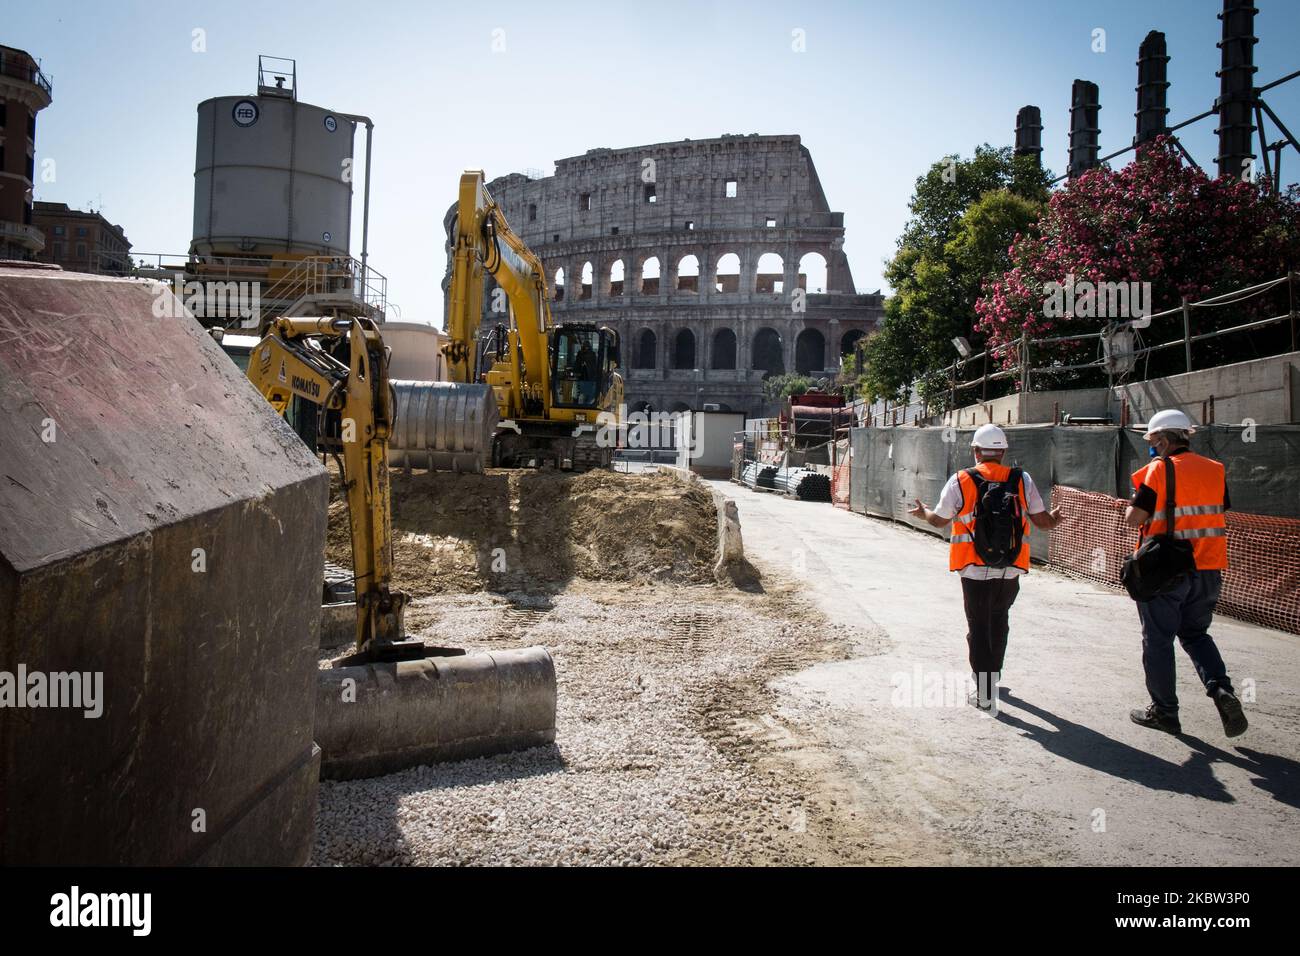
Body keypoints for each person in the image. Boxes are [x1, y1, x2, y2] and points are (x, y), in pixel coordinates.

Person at [909, 424, 1062, 714]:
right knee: (999, 621)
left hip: (974, 568)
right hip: (1011, 568)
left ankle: (986, 691)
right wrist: (1054, 519)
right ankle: (992, 676)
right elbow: (1042, 521)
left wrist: (923, 512)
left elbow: (939, 520)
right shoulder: (1021, 479)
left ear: (976, 451)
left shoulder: (962, 479)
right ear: (1002, 452)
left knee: (978, 627)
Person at [1124, 409, 1247, 738]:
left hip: (1167, 569)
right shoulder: (1215, 470)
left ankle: (1165, 713)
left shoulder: (1159, 470)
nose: (1153, 447)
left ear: (1163, 440)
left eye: (1153, 441)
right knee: (1195, 635)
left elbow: (1135, 518)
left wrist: (1132, 503)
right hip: (1208, 567)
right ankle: (1222, 690)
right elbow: (1216, 509)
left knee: (1158, 640)